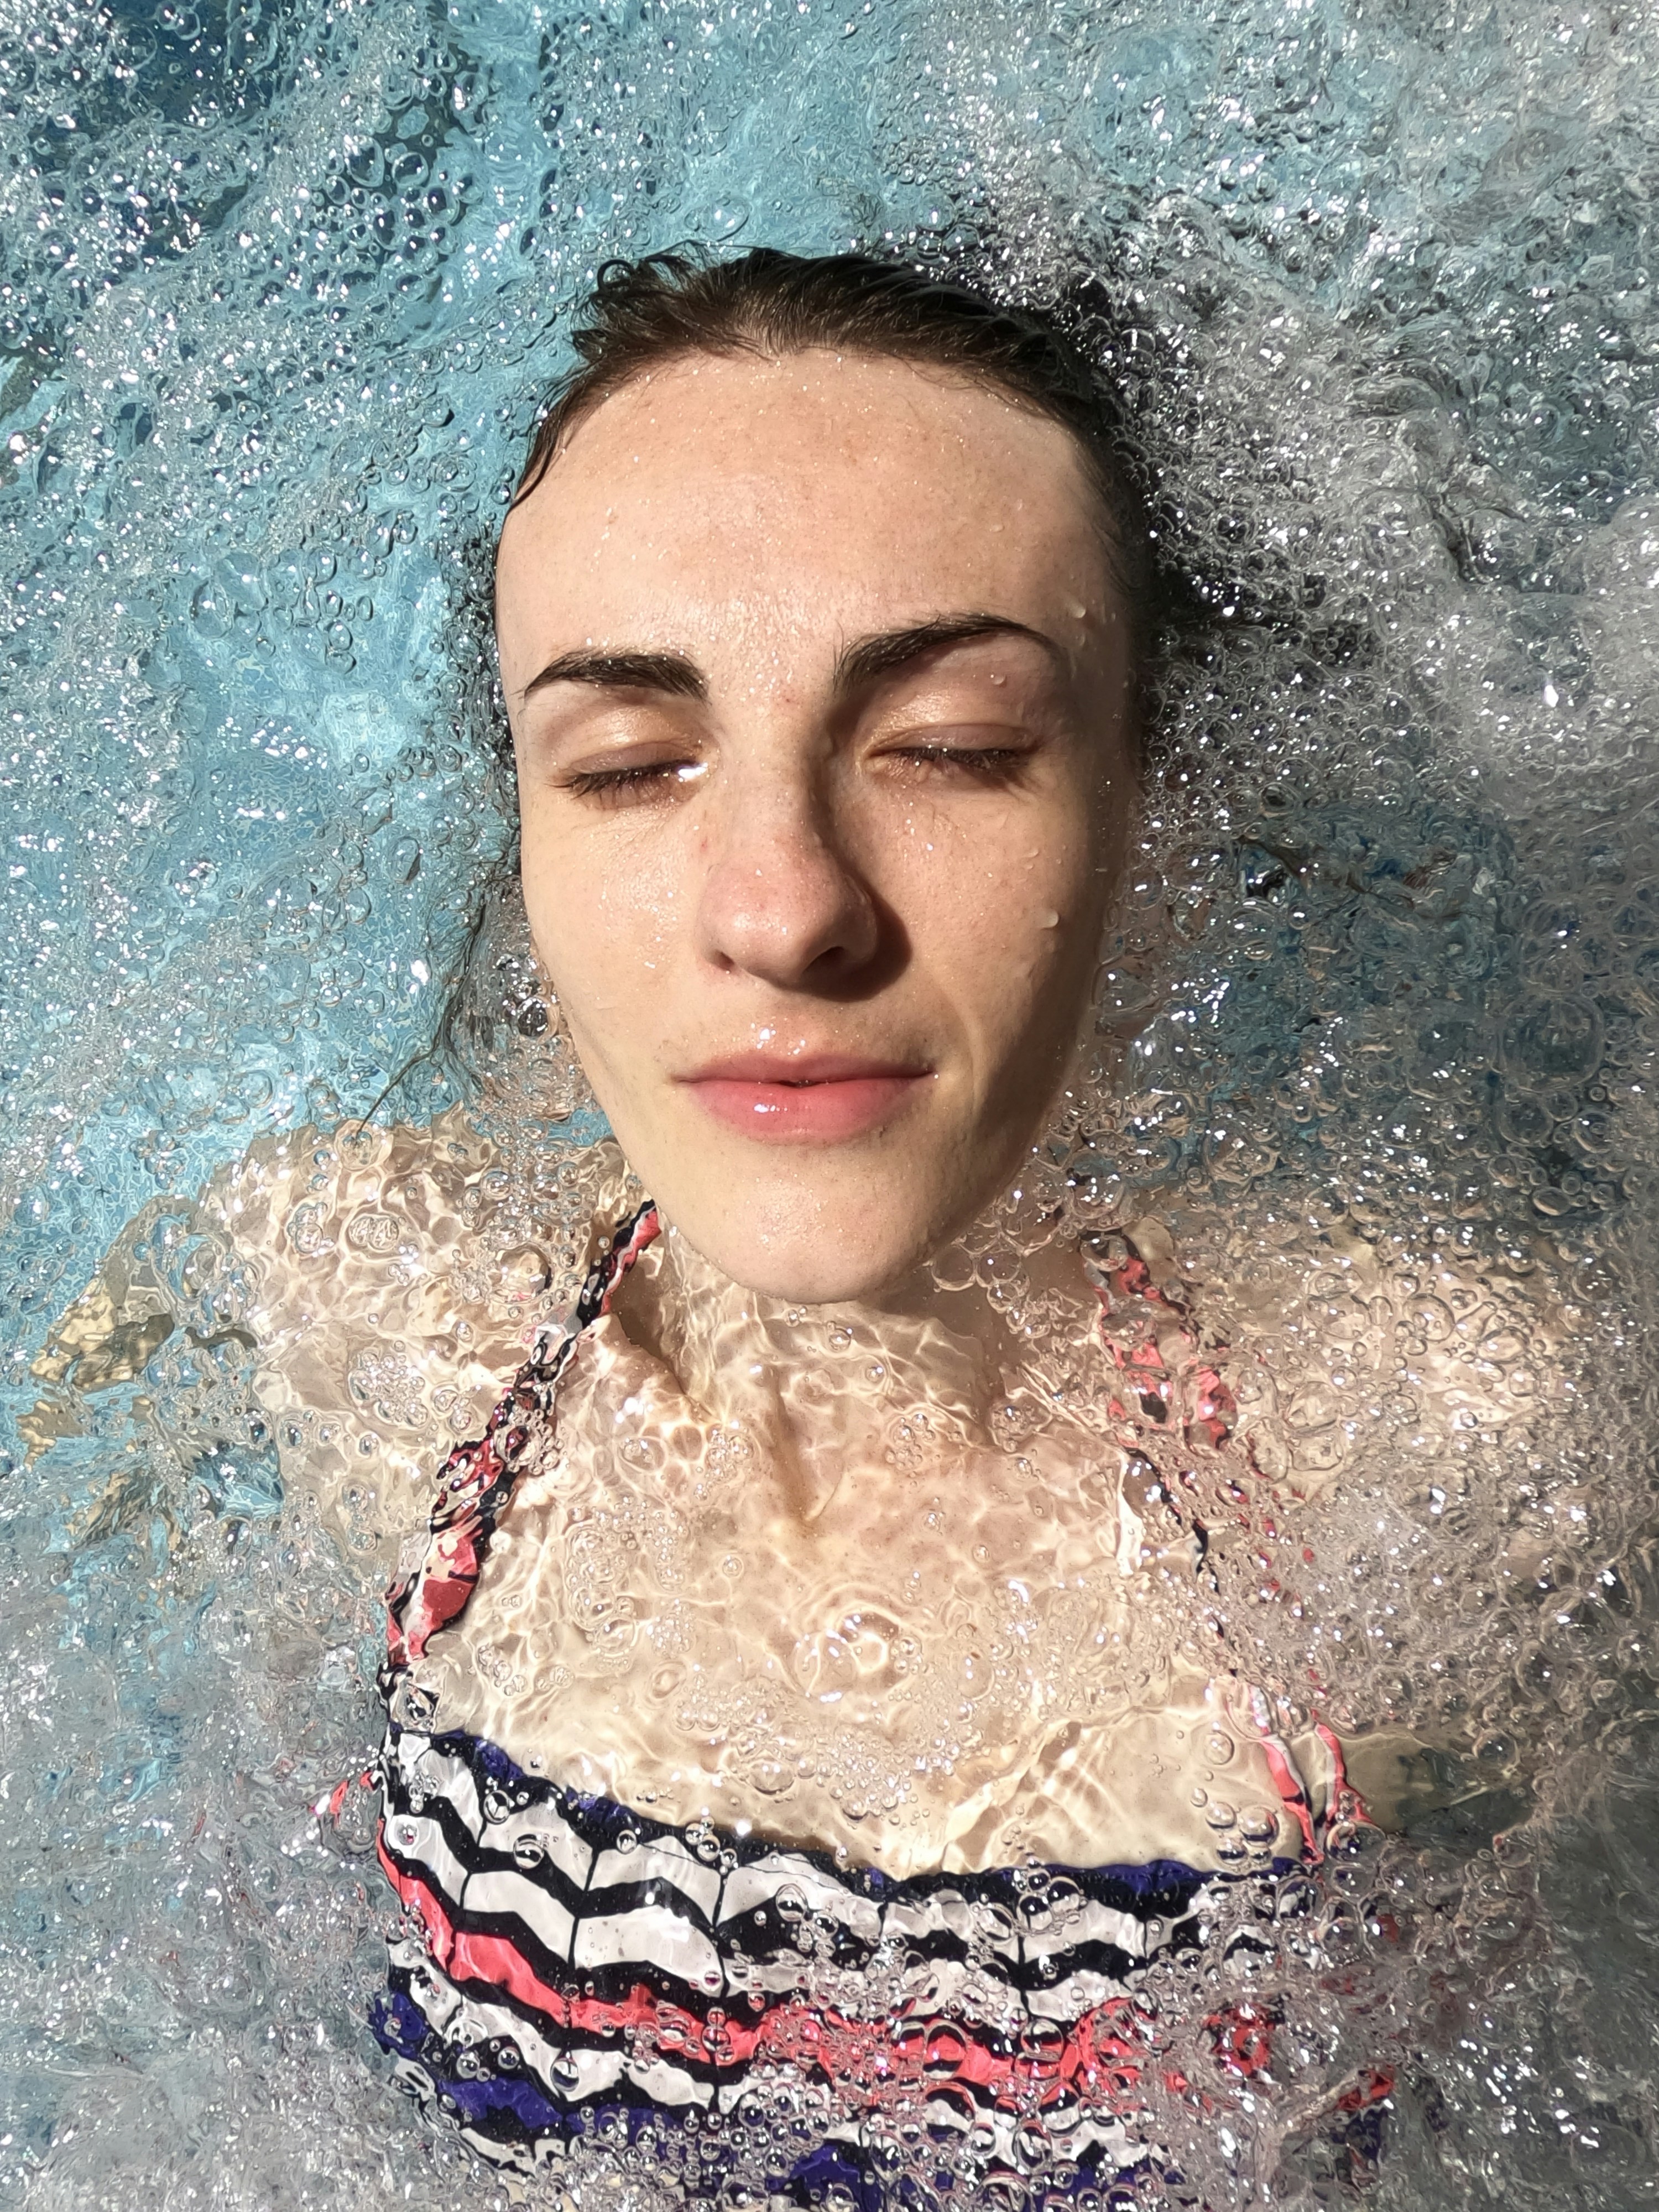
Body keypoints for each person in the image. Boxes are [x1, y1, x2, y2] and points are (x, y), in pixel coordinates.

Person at [38, 249, 1411, 2194]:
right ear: (521, 844)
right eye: (626, 766)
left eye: (949, 746)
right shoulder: (371, 1311)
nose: (779, 908)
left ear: (1155, 799)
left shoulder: (1434, 1436)